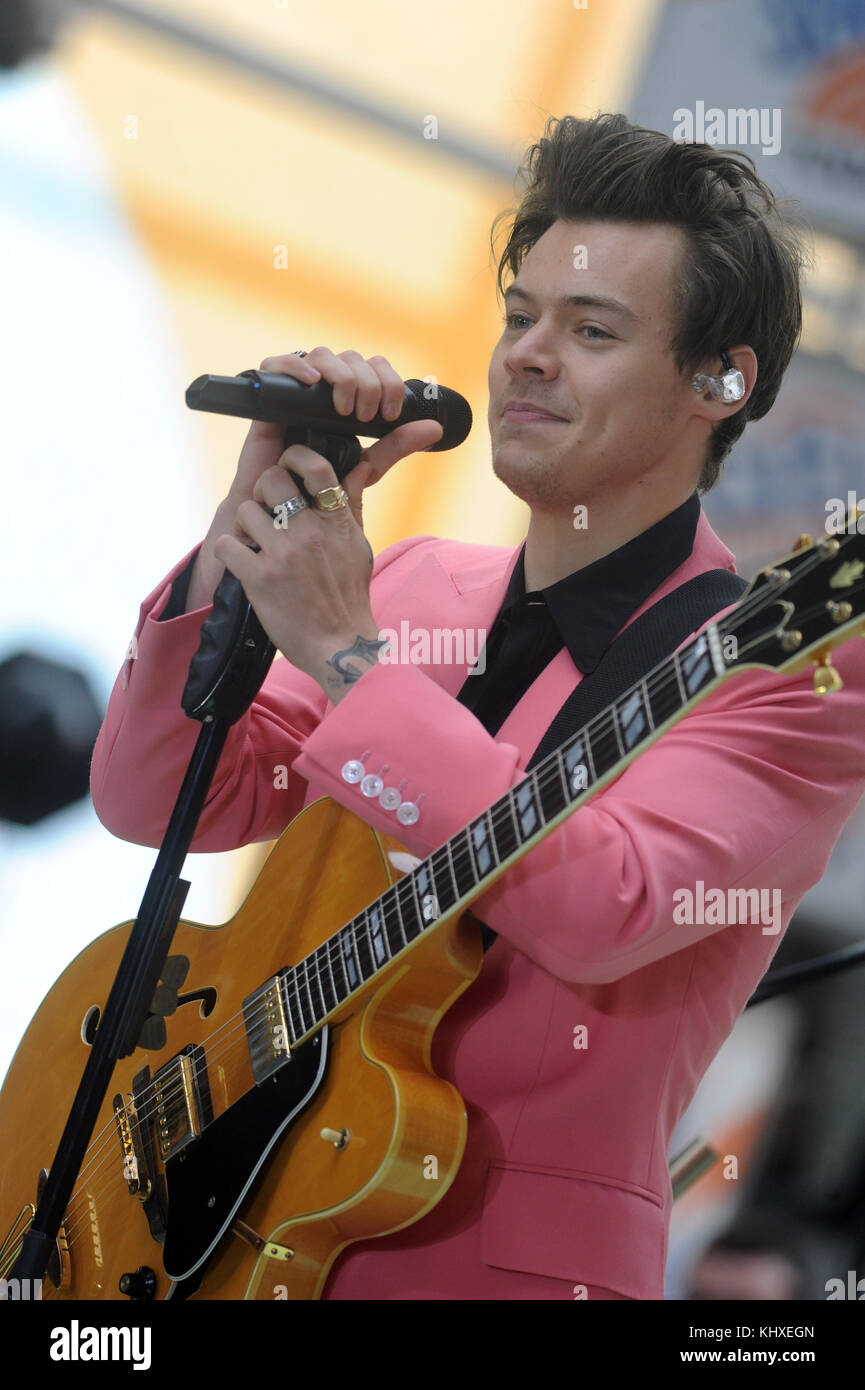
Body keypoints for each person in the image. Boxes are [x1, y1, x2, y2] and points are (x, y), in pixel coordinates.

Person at [90, 113, 865, 1300]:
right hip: (245, 1218)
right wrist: (237, 556)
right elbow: (154, 798)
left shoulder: (791, 679)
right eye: (520, 315)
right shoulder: (411, 583)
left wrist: (350, 657)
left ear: (723, 379)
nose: (526, 357)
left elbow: (607, 901)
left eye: (590, 329)